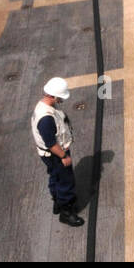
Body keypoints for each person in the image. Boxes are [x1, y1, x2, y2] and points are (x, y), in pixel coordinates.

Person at [32, 77, 84, 227]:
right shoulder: (46, 119)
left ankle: (57, 202)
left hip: (49, 156)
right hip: (56, 154)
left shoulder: (42, 106)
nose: (61, 100)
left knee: (55, 176)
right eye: (60, 97)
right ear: (54, 96)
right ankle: (67, 213)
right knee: (66, 181)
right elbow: (51, 143)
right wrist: (64, 156)